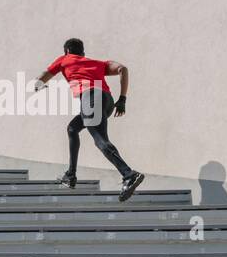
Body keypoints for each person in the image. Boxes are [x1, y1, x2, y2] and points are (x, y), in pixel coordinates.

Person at [35, 38, 145, 202]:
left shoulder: (64, 59)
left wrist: (37, 85)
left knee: (100, 140)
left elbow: (43, 76)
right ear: (83, 53)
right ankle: (70, 175)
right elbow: (123, 68)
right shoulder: (97, 63)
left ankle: (129, 174)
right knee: (73, 128)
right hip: (107, 101)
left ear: (67, 51)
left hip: (91, 98)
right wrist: (122, 99)